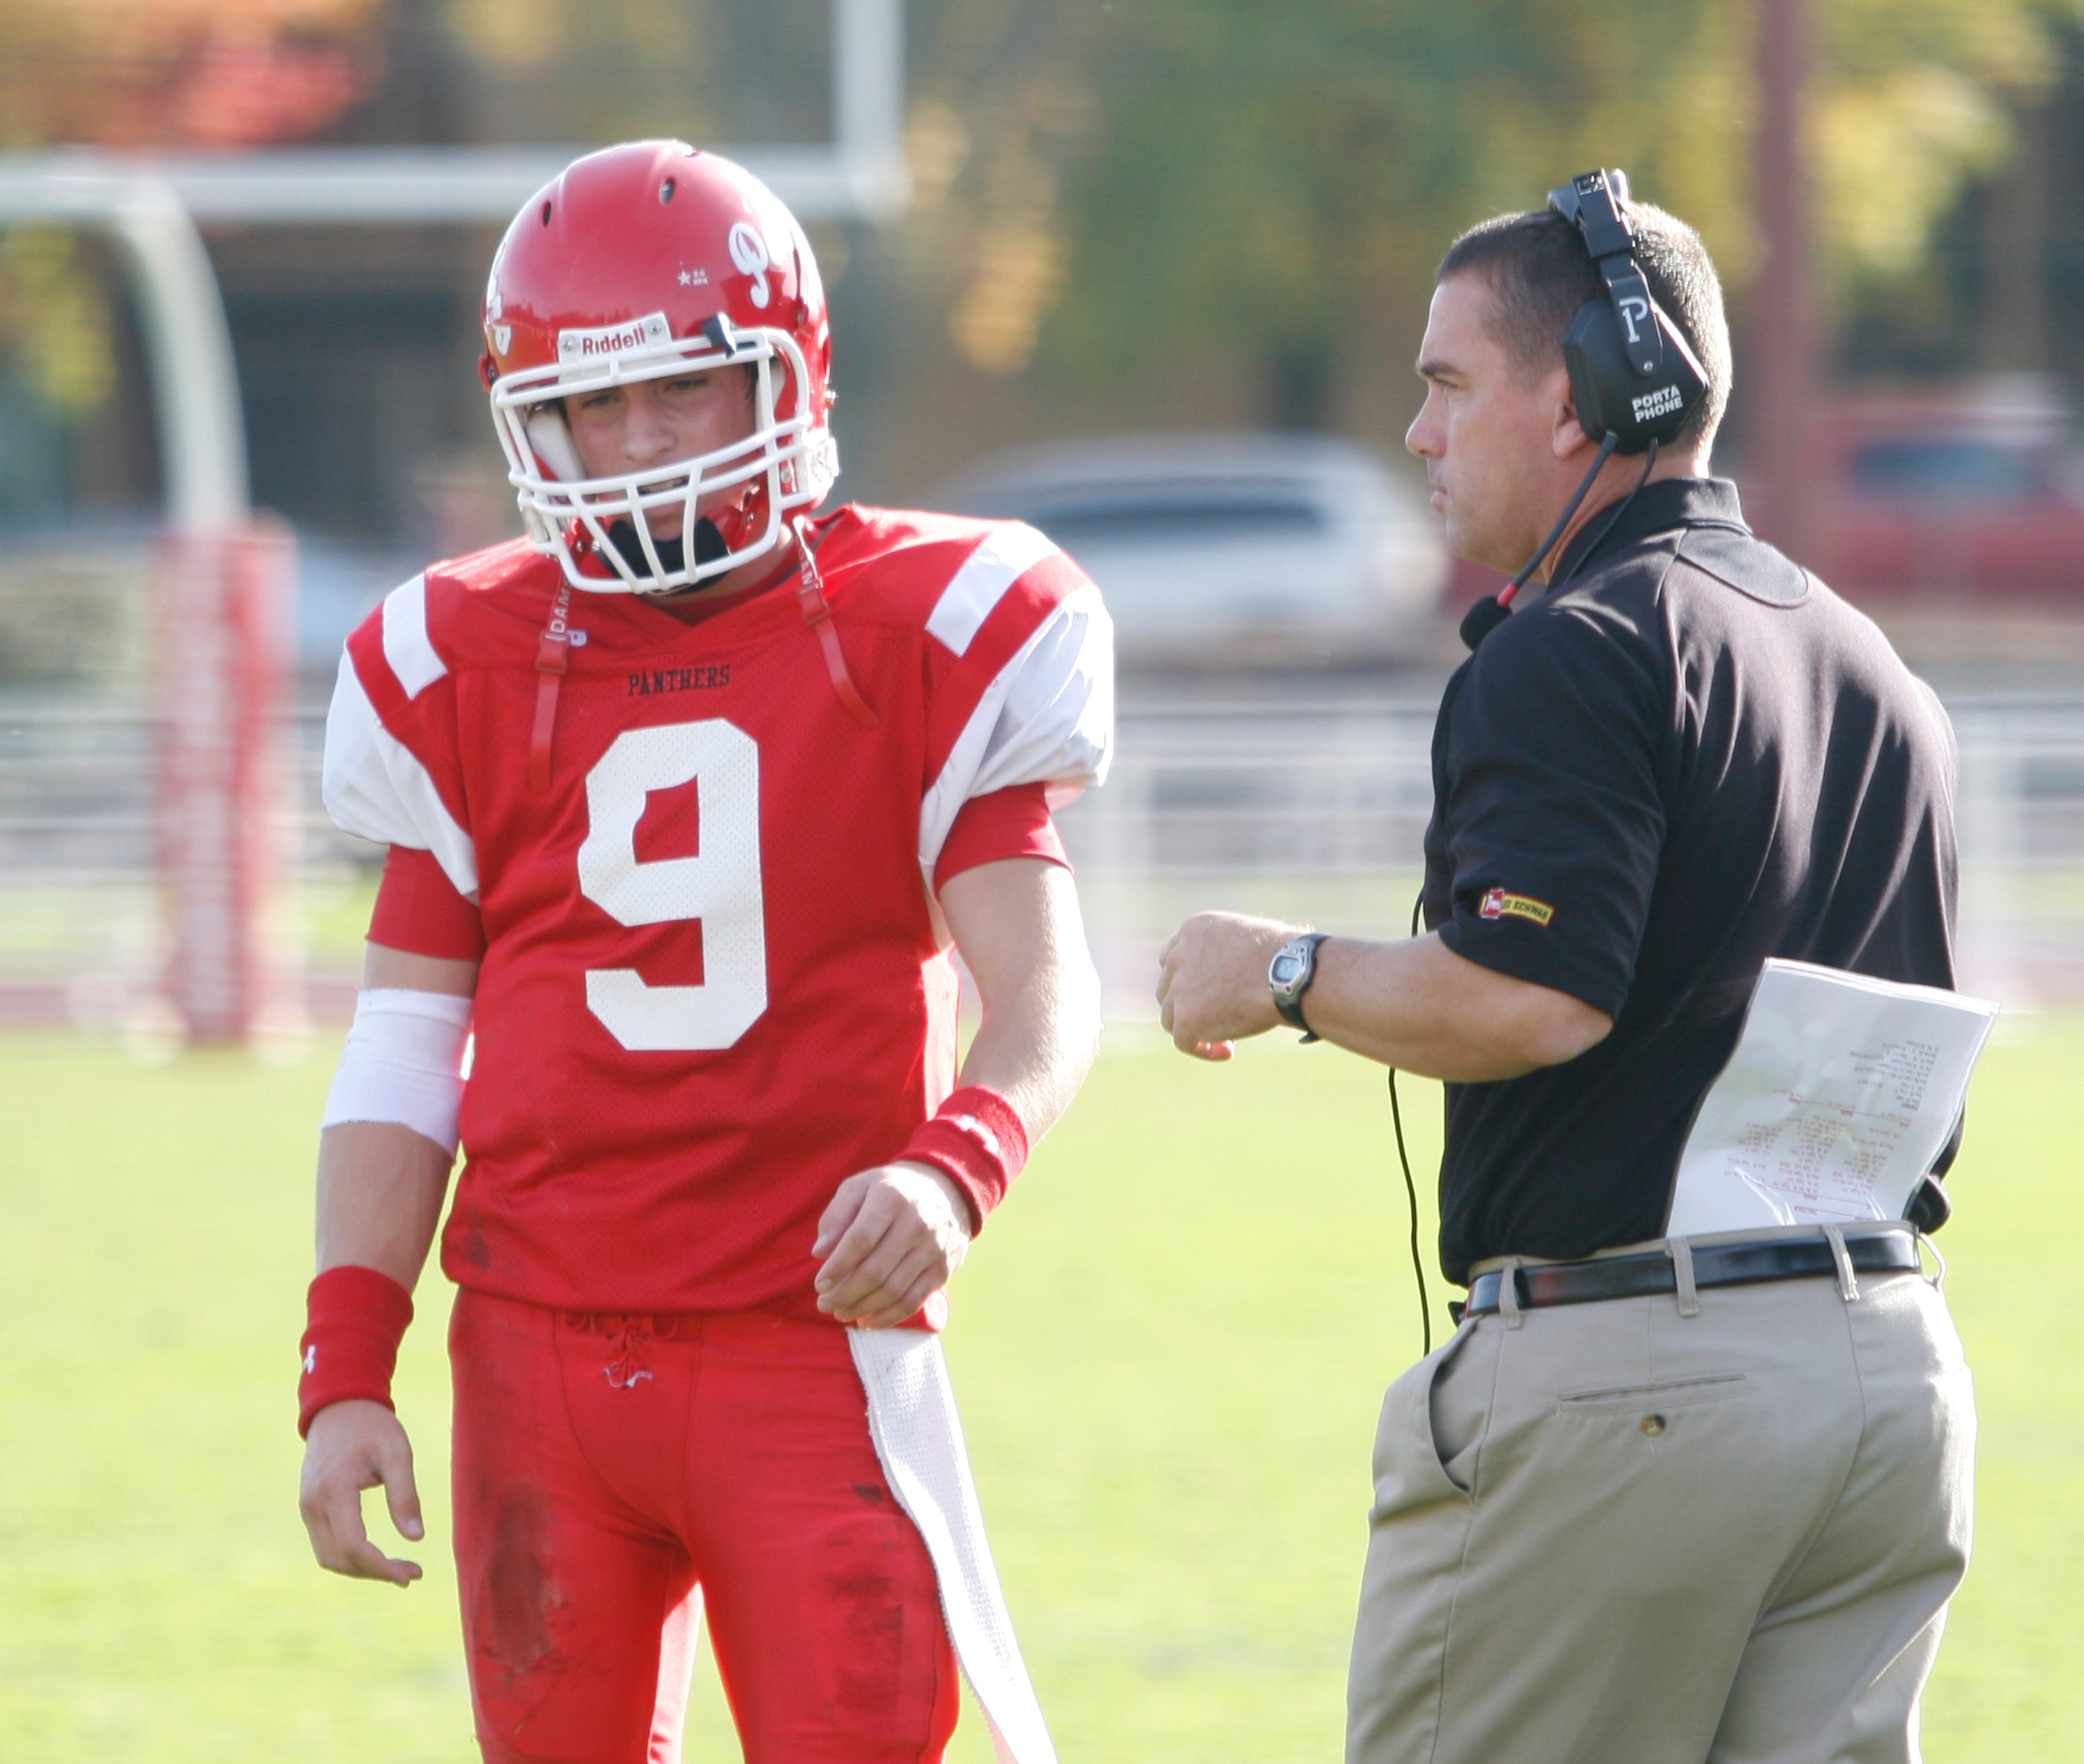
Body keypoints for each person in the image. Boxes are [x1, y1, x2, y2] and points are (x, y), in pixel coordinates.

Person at [295, 140, 1112, 1764]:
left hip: (805, 1345)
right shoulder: (455, 656)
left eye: (679, 390)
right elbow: (403, 1046)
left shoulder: (925, 625)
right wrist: (345, 1362)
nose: (634, 445)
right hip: (532, 1353)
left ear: (784, 378)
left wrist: (959, 1166)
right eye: (592, 408)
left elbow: (1047, 982)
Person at [1156, 173, 1974, 1764]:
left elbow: (1532, 994)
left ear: (1593, 390)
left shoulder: (1576, 646)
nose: (1418, 433)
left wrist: (1285, 970)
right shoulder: (1881, 671)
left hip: (1640, 1389)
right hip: (1887, 1379)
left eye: (1448, 382)